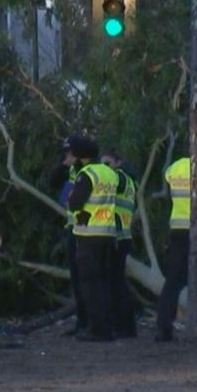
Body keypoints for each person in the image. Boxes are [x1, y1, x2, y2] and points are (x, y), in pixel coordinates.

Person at [65, 136, 118, 342]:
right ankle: (107, 327)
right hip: (107, 233)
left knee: (90, 284)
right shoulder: (108, 172)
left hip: (89, 235)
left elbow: (75, 203)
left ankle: (96, 329)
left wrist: (70, 199)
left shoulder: (87, 174)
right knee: (103, 283)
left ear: (79, 155)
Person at [101, 150, 138, 338]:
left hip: (117, 236)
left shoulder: (120, 178)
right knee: (119, 283)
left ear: (118, 161)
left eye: (107, 164)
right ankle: (126, 326)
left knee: (116, 285)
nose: (104, 168)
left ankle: (122, 326)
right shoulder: (129, 180)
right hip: (123, 236)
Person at [53, 138, 86, 337]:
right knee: (77, 278)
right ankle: (82, 321)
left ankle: (90, 321)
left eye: (70, 153)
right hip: (73, 227)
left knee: (87, 279)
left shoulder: (89, 171)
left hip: (87, 230)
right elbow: (54, 182)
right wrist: (63, 165)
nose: (67, 157)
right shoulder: (72, 171)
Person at [156, 155, 191, 342]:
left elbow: (168, 179)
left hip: (177, 229)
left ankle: (163, 328)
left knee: (173, 282)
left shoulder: (175, 168)